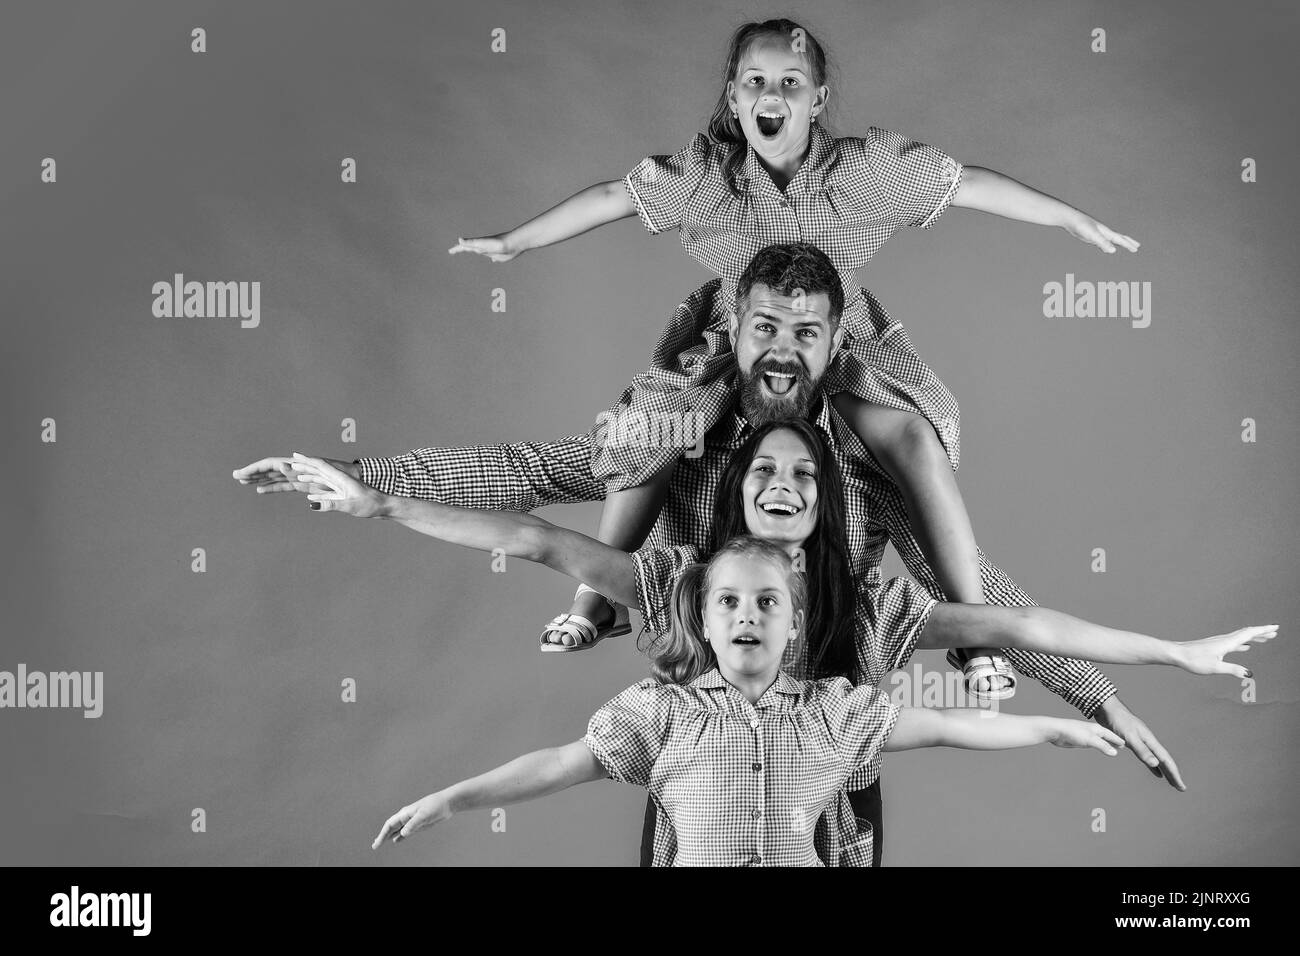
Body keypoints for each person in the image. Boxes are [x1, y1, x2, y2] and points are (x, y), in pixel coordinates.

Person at [233, 242, 1194, 824]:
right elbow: (535, 487)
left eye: (807, 333)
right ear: (734, 330)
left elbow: (989, 602)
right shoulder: (684, 437)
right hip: (705, 753)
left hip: (834, 748)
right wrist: (372, 483)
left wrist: (1102, 703)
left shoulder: (860, 471)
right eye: (765, 326)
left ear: (832, 347)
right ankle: (591, 615)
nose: (784, 348)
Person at [446, 17, 1138, 698]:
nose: (771, 96)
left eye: (790, 82)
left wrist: (1070, 217)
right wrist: (517, 242)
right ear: (734, 94)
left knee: (915, 442)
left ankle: (976, 636)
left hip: (835, 347)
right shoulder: (710, 180)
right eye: (755, 81)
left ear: (818, 99)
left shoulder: (860, 173)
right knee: (651, 432)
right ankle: (596, 603)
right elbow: (613, 198)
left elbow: (967, 185)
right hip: (735, 349)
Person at [282, 419, 1274, 865]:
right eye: (764, 468)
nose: (783, 484)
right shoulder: (685, 592)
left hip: (834, 801)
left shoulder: (872, 603)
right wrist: (378, 497)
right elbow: (533, 524)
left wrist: (1143, 674)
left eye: (805, 471)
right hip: (696, 799)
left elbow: (1021, 621)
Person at [370, 537, 1133, 866]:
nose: (747, 615)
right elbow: (560, 764)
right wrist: (452, 799)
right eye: (729, 602)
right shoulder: (660, 714)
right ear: (703, 620)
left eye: (768, 602)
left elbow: (943, 729)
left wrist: (1049, 730)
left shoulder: (834, 712)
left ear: (795, 622)